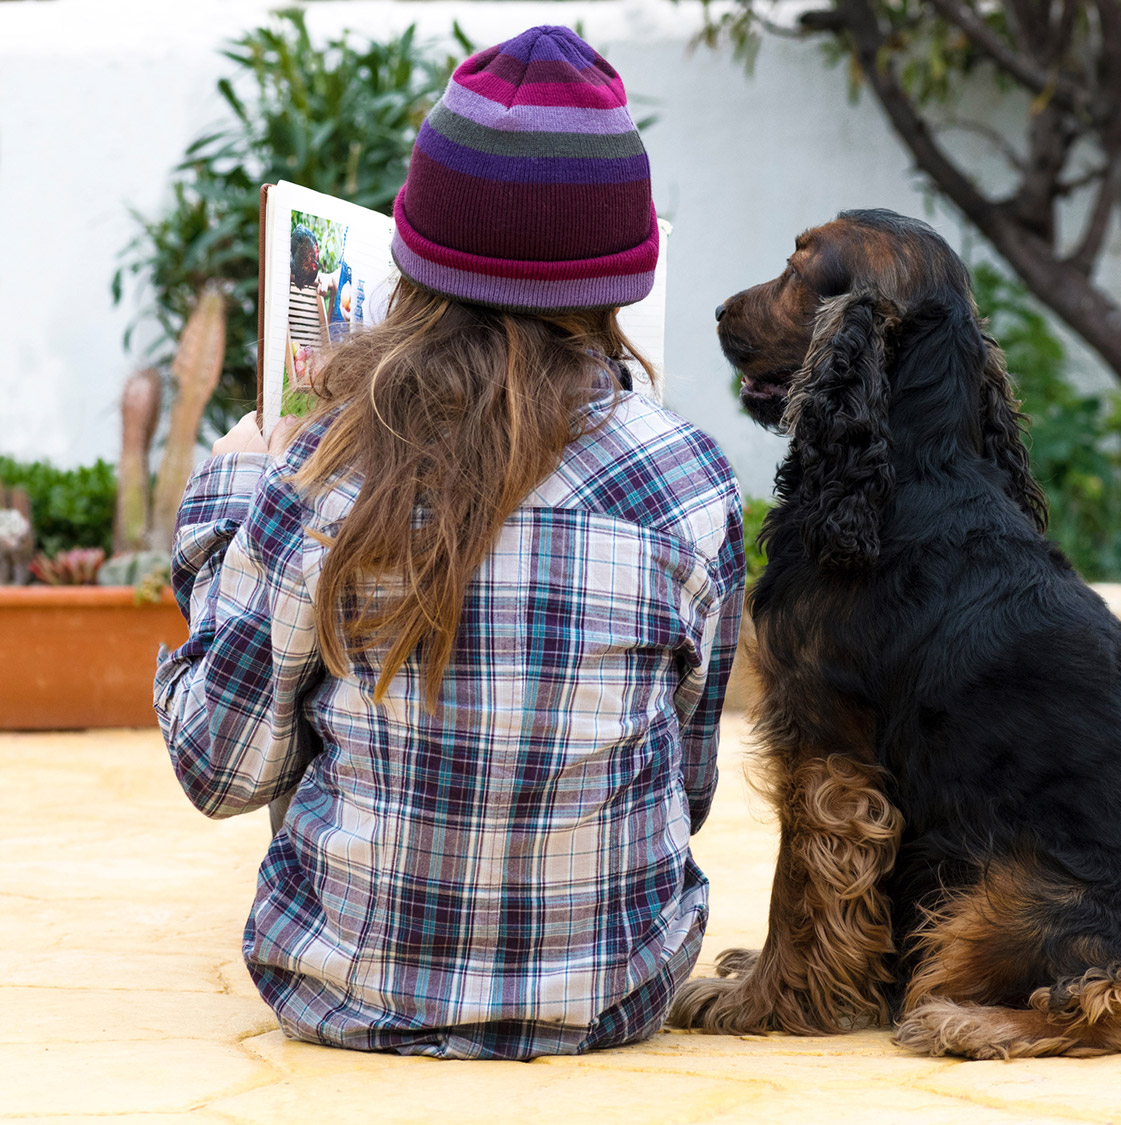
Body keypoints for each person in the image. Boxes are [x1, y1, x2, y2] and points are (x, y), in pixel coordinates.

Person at [154, 26, 744, 1061]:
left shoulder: (325, 467)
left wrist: (239, 482)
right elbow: (686, 793)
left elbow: (220, 765)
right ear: (622, 278)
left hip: (340, 993)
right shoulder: (689, 478)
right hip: (613, 997)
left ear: (413, 260)